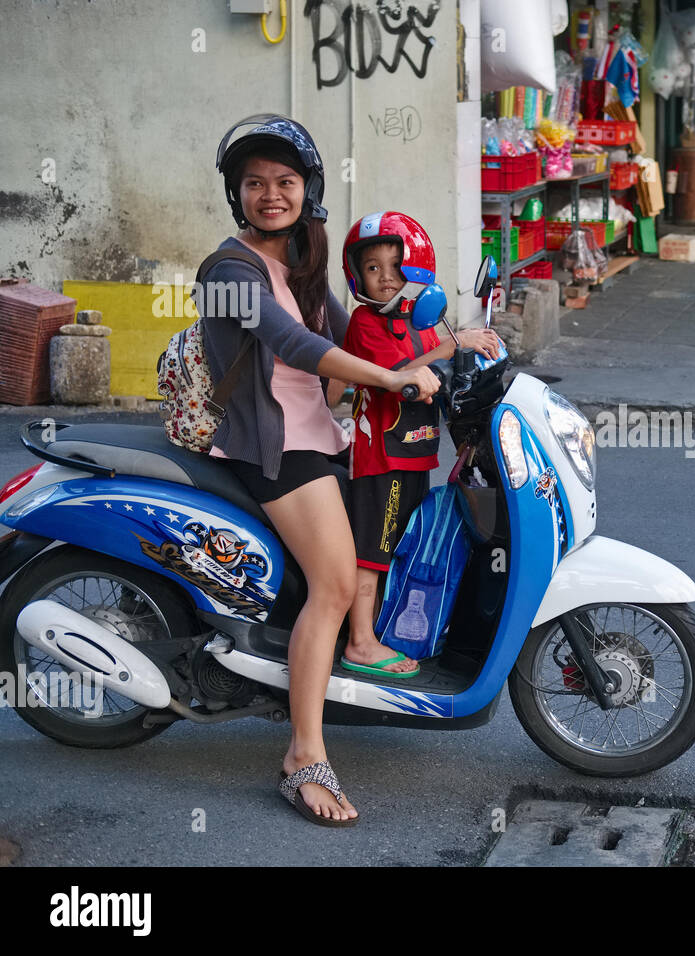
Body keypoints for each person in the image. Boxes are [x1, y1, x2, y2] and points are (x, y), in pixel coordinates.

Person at [202, 115, 439, 826]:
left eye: (285, 182)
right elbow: (297, 345)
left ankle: (351, 648)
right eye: (254, 184)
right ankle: (302, 753)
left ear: (308, 190)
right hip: (272, 448)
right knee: (336, 582)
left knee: (382, 519)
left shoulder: (299, 261)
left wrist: (447, 343)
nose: (270, 195)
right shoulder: (229, 269)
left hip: (319, 435)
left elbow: (350, 329)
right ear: (235, 194)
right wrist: (392, 381)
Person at [339, 211, 501, 678]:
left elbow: (442, 368)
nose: (386, 278)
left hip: (415, 452)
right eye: (373, 268)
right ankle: (360, 643)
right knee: (373, 549)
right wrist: (452, 348)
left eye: (395, 265)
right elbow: (401, 377)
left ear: (417, 266)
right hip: (381, 456)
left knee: (400, 543)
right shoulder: (365, 324)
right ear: (357, 275)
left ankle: (380, 628)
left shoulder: (422, 317)